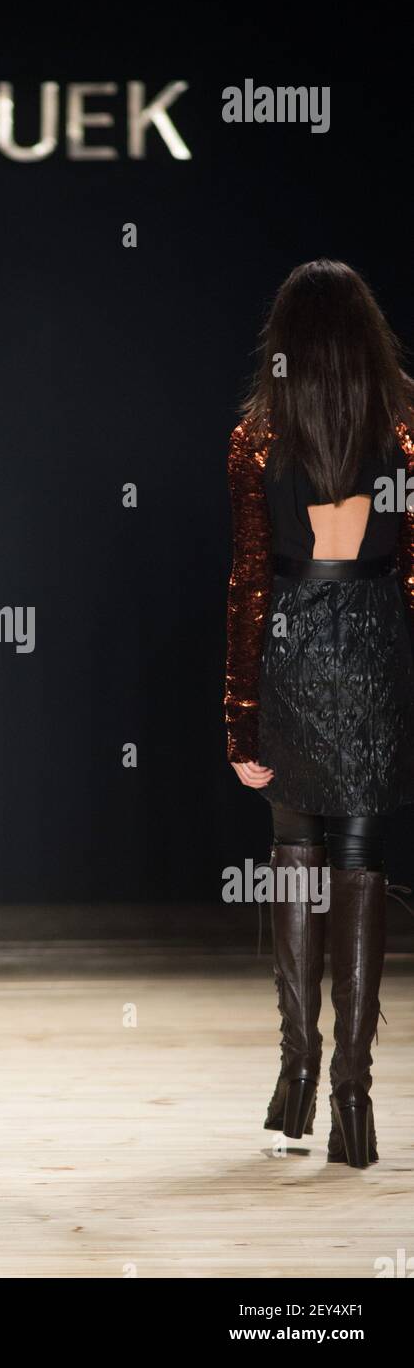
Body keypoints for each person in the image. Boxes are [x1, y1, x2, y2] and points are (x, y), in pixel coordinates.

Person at [224, 259, 414, 1167]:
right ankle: (352, 1097)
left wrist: (237, 716)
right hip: (375, 653)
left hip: (295, 653)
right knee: (359, 863)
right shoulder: (405, 432)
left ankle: (295, 1077)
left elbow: (248, 587)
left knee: (296, 862)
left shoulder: (260, 438)